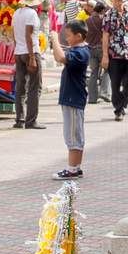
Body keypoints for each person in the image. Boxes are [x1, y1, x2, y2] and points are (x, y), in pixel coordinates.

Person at [50, 20, 90, 180]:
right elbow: (60, 55)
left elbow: (61, 57)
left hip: (74, 98)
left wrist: (54, 40)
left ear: (79, 36)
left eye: (68, 36)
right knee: (72, 134)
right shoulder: (77, 49)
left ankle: (73, 169)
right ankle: (75, 168)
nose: (66, 39)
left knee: (73, 136)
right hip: (71, 98)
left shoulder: (81, 53)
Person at [102, 0, 128, 121]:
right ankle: (119, 110)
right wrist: (105, 56)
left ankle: (122, 104)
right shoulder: (108, 15)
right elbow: (105, 36)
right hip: (115, 54)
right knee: (115, 84)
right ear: (111, 0)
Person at [13, 0, 45, 129]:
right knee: (34, 87)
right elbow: (29, 35)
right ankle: (31, 120)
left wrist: (18, 50)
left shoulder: (17, 13)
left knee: (20, 87)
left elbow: (15, 35)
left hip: (19, 52)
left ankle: (19, 119)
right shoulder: (31, 14)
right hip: (30, 51)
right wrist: (32, 57)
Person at [85, 0, 110, 104]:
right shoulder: (103, 19)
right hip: (101, 48)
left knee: (93, 73)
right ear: (103, 10)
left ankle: (92, 98)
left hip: (90, 48)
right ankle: (104, 93)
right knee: (107, 70)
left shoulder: (87, 20)